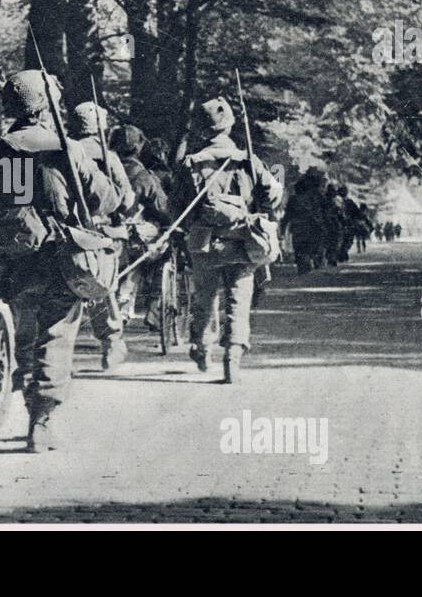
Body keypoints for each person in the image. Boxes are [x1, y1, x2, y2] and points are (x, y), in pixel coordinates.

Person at [0, 70, 121, 452]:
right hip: (62, 260)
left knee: (23, 334)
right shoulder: (68, 150)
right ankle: (40, 421)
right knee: (55, 337)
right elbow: (108, 201)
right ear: (44, 107)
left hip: (12, 263)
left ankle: (28, 402)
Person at [174, 97, 283, 383]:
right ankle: (232, 356)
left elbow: (178, 206)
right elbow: (271, 196)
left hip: (205, 244)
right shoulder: (248, 160)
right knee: (238, 300)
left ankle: (201, 346)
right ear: (230, 125)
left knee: (204, 299)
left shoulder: (191, 164)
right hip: (243, 242)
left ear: (201, 129)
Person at [68, 102, 135, 370]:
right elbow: (127, 198)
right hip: (100, 229)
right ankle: (110, 344)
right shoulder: (108, 156)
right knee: (101, 283)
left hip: (66, 226)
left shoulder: (64, 149)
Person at [110, 125, 172, 329]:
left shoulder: (100, 170)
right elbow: (163, 209)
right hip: (131, 237)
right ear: (138, 148)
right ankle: (152, 309)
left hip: (101, 233)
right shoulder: (145, 177)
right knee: (158, 249)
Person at [280, 167, 328, 274]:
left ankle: (304, 264)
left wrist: (282, 230)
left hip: (298, 228)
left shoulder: (294, 198)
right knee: (314, 245)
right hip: (314, 226)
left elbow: (287, 216)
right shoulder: (317, 195)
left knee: (300, 248)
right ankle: (313, 260)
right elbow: (326, 210)